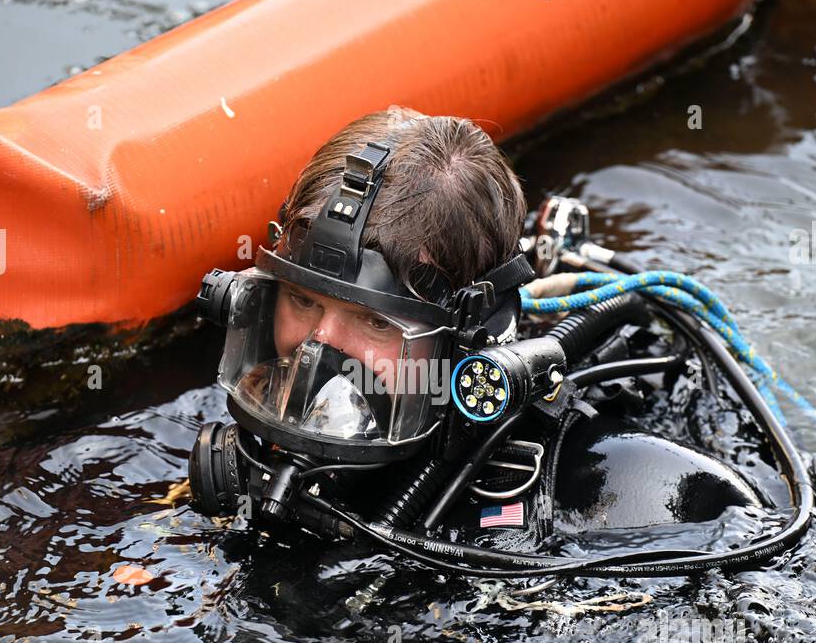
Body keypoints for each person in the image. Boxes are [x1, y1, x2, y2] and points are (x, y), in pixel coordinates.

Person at [190, 106, 765, 558]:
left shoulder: (625, 487)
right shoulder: (248, 441)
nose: (318, 347)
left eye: (374, 321)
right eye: (301, 300)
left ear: (472, 338)